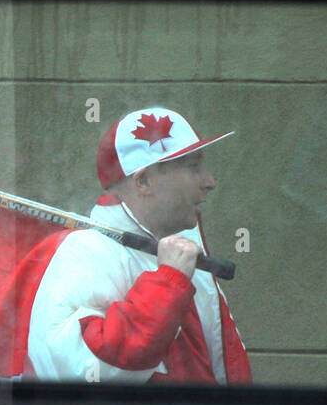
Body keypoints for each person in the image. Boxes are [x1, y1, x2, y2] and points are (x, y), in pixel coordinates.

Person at [19, 106, 252, 384]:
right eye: (193, 167)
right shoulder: (86, 253)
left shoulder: (178, 249)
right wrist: (167, 285)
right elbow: (81, 373)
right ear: (143, 181)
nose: (209, 182)